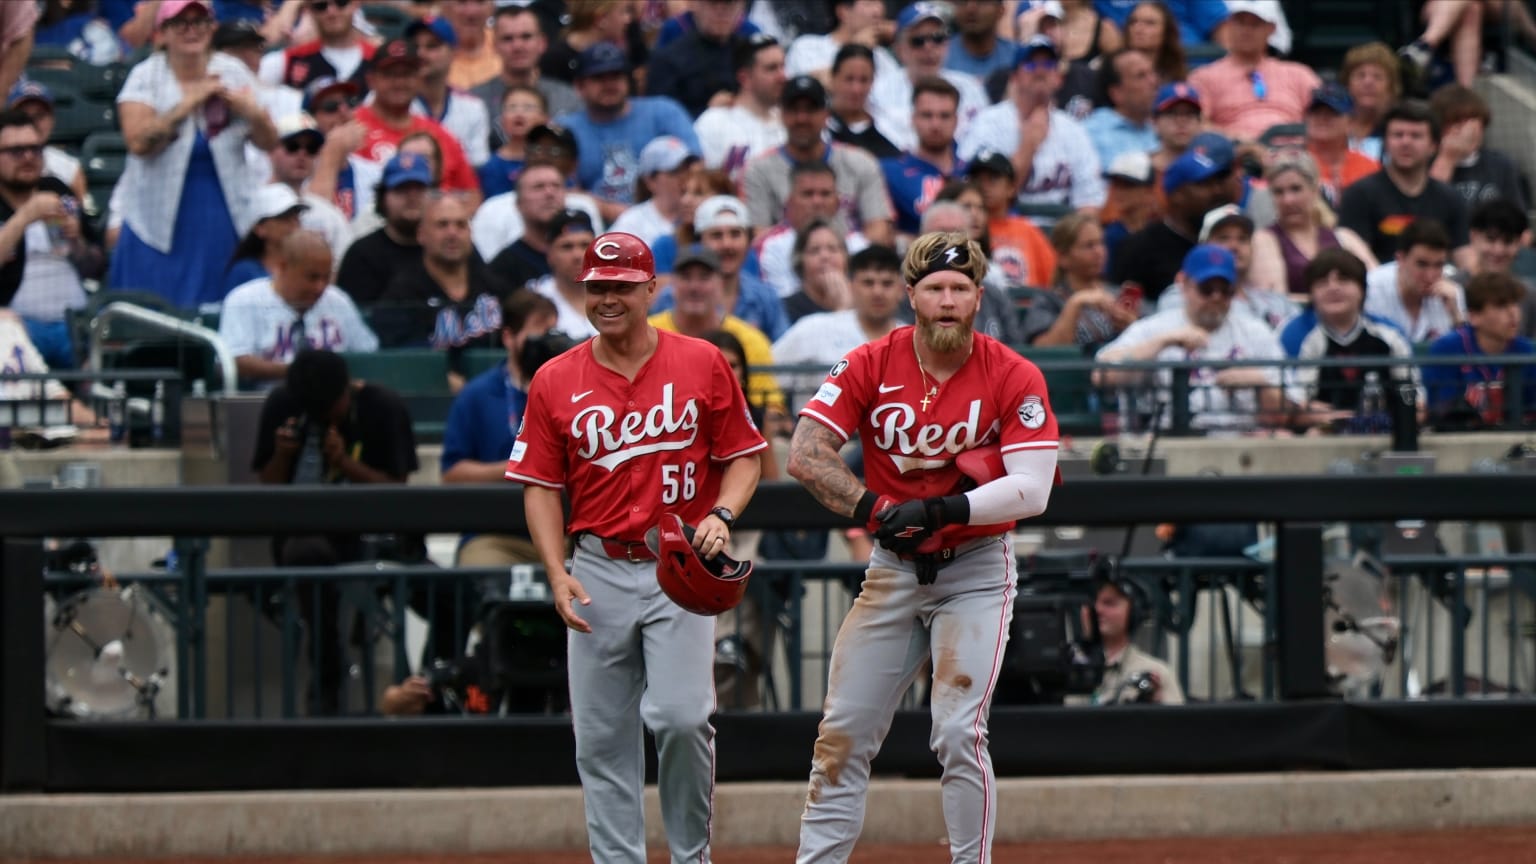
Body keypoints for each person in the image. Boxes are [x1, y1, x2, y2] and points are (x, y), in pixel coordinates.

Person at [787, 231, 1059, 863]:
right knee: (843, 735)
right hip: (893, 566)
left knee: (960, 733)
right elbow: (804, 453)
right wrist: (871, 509)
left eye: (958, 289)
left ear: (977, 297)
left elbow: (1034, 489)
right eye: (933, 288)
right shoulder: (869, 362)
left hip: (976, 568)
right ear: (911, 295)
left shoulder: (1012, 371)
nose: (946, 300)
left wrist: (941, 508)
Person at [507, 230, 766, 864]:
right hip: (596, 564)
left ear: (653, 288)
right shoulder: (554, 377)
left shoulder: (702, 361)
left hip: (676, 566)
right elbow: (540, 487)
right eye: (597, 287)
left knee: (681, 718)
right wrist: (555, 571)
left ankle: (689, 856)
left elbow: (745, 458)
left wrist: (723, 515)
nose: (608, 298)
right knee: (600, 738)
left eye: (622, 286)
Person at [252, 349, 419, 715]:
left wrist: (344, 463)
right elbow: (267, 485)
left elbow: (396, 487)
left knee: (455, 600)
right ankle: (326, 687)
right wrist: (283, 454)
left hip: (378, 538)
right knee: (308, 561)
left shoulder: (382, 406)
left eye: (328, 410)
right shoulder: (284, 402)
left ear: (346, 393)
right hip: (305, 538)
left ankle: (434, 694)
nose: (321, 417)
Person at [109, 0, 280, 308]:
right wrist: (187, 104)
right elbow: (137, 142)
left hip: (220, 210)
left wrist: (252, 112)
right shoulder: (145, 76)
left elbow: (268, 142)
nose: (192, 30)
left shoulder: (233, 72)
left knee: (219, 309)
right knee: (155, 315)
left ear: (212, 28)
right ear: (163, 32)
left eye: (200, 22)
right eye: (182, 23)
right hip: (155, 214)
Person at [1096, 244, 1299, 432]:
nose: (1216, 297)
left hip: (1242, 443)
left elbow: (1287, 413)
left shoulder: (1255, 331)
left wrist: (1258, 381)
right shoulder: (1156, 328)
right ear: (1184, 284)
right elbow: (1101, 374)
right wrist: (1162, 343)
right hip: (1171, 441)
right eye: (1207, 289)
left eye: (1225, 290)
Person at [441, 291, 562, 567]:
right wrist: (517, 469)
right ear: (509, 337)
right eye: (536, 336)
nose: (544, 345)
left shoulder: (574, 391)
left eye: (551, 335)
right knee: (480, 568)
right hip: (496, 533)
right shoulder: (477, 394)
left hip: (565, 531)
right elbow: (452, 475)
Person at [0, 109, 102, 371]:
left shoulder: (57, 189)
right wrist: (23, 218)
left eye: (36, 149)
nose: (28, 157)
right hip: (17, 325)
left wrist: (76, 239)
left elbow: (95, 266)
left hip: (76, 322)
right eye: (16, 151)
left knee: (109, 349)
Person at [742, 74, 895, 247]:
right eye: (794, 109)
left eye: (810, 109)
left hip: (852, 263)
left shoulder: (861, 162)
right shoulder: (759, 169)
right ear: (782, 114)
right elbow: (758, 235)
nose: (802, 118)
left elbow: (879, 230)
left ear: (826, 114)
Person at [959, 35, 1105, 215]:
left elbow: (1089, 200)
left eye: (1049, 65)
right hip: (1005, 225)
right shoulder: (988, 123)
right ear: (1014, 77)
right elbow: (979, 196)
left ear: (1058, 78)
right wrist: (1028, 145)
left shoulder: (1073, 129)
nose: (1040, 71)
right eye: (1030, 65)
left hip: (1062, 230)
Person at [556, 43, 700, 221]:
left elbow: (697, 169)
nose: (609, 84)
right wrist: (618, 213)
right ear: (579, 86)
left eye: (616, 76)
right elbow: (564, 192)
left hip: (668, 219)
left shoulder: (663, 111)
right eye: (599, 78)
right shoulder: (565, 128)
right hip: (595, 226)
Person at [1279, 247, 1416, 427]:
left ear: (1362, 289)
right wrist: (1313, 413)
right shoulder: (1301, 338)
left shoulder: (1389, 336)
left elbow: (1413, 397)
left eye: (1344, 280)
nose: (1333, 288)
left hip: (1386, 432)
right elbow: (1297, 408)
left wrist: (1400, 411)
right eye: (1322, 282)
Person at [219, 230, 378, 386]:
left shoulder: (337, 300)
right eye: (312, 277)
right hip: (266, 402)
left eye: (326, 277)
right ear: (282, 267)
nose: (320, 287)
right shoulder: (245, 299)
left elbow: (370, 354)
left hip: (332, 405)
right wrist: (300, 372)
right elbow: (232, 362)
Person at [650, 244, 787, 422]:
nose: (694, 287)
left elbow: (771, 408)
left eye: (704, 277)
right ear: (673, 283)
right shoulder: (649, 333)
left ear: (721, 283)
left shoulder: (751, 340)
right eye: (686, 277)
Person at [772, 243, 904, 411]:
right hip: (817, 433)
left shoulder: (913, 340)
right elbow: (765, 375)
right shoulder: (814, 329)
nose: (877, 292)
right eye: (868, 283)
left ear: (901, 290)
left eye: (886, 284)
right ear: (851, 286)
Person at [1338, 100, 1469, 269]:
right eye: (1398, 135)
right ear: (1385, 142)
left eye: (1416, 136)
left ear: (1433, 146)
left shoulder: (1450, 198)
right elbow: (1354, 260)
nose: (1406, 142)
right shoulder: (1359, 194)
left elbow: (1464, 258)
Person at [352, 39, 480, 196]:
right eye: (390, 75)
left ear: (419, 79)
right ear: (371, 80)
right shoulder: (352, 127)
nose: (399, 82)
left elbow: (470, 194)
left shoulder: (440, 135)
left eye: (407, 74)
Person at [1110, 146, 1232, 304]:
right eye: (1204, 184)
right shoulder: (1139, 248)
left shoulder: (1227, 241)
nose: (1216, 191)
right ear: (1177, 195)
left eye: (1217, 183)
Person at [1186, 1, 1320, 144]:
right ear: (1229, 25)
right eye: (1240, 22)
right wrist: (1234, 139)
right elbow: (1196, 124)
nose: (1246, 30)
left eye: (1255, 24)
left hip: (1293, 154)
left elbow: (1324, 114)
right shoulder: (1204, 77)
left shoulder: (1299, 75)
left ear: (1271, 29)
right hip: (1233, 156)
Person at [1250, 151, 1378, 297]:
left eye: (1296, 189)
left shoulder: (1344, 238)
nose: (1288, 200)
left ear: (1314, 191)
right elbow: (1275, 301)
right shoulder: (1264, 239)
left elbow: (1376, 288)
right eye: (1279, 192)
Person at [866, 3, 989, 153]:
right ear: (899, 49)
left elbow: (983, 140)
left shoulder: (970, 87)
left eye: (938, 38)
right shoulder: (878, 91)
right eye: (918, 41)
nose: (929, 48)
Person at [1423, 271, 1536, 426]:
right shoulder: (1447, 349)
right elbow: (1443, 413)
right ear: (1474, 316)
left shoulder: (1525, 351)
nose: (1513, 313)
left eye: (1515, 303)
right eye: (1501, 305)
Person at [1159, 204, 1297, 331]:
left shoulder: (1275, 302)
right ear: (1203, 246)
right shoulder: (1181, 295)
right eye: (1223, 238)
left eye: (1242, 239)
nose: (1234, 247)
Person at [472, 3, 582, 149]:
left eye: (526, 37)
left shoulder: (568, 98)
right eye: (507, 39)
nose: (518, 46)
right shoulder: (476, 101)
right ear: (494, 46)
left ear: (542, 43)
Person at [1024, 211, 1137, 348]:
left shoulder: (1117, 295)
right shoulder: (1048, 300)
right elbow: (1043, 351)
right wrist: (1075, 303)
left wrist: (1132, 325)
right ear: (1063, 257)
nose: (1099, 252)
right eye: (1089, 246)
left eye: (1101, 243)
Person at [335, 152, 431, 307]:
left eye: (419, 189)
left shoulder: (446, 247)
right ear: (383, 198)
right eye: (402, 189)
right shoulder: (362, 254)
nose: (412, 197)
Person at [693, 32, 788, 184]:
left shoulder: (796, 120)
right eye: (772, 69)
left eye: (783, 66)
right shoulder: (713, 122)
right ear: (745, 78)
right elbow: (700, 185)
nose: (783, 76)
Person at [880, 76, 967, 241]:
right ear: (913, 119)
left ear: (956, 120)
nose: (936, 124)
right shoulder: (890, 172)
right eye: (927, 115)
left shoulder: (973, 171)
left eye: (944, 116)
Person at [1077, 577, 1184, 705]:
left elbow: (1178, 724)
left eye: (1109, 603)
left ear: (1133, 612)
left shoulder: (1156, 672)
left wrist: (1157, 708)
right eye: (1092, 603)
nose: (1098, 610)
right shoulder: (1066, 669)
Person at [407, 16, 493, 169]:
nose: (420, 53)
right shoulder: (386, 100)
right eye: (415, 46)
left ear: (453, 53)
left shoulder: (472, 107)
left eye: (432, 46)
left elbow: (477, 167)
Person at [1427, 84, 1527, 212]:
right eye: (1457, 122)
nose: (1466, 131)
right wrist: (1448, 158)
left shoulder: (1502, 164)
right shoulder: (1425, 162)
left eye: (1472, 121)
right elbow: (1427, 210)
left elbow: (1518, 219)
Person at [1364, 219, 1465, 344]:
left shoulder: (1452, 295)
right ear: (1400, 259)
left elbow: (1468, 357)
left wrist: (1457, 316)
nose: (1430, 276)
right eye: (1422, 264)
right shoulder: (1370, 289)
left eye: (1438, 265)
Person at [645, 0, 749, 118]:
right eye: (713, 3)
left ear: (741, 6)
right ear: (694, 5)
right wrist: (707, 112)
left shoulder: (751, 54)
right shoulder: (668, 59)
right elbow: (659, 117)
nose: (721, 11)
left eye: (729, 4)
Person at [261, 0, 374, 93]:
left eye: (341, 3)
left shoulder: (378, 58)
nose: (332, 12)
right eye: (321, 6)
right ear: (309, 10)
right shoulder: (285, 61)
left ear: (355, 5)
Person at [5, 81, 87, 203]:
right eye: (23, 115)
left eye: (40, 115)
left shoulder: (69, 167)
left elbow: (80, 217)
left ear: (52, 120)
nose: (33, 122)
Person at [606, 136, 697, 246]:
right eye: (675, 171)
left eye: (687, 170)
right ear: (650, 181)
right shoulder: (631, 223)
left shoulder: (701, 214)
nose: (684, 178)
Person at [528, 208, 602, 341]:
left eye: (585, 245)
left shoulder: (613, 296)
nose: (577, 255)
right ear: (549, 253)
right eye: (567, 247)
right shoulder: (536, 299)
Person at [1081, 48, 1159, 170]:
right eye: (1141, 76)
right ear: (1116, 93)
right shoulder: (1091, 134)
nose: (1153, 81)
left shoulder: (1162, 128)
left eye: (1152, 73)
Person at [1304, 84, 1380, 208]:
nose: (1322, 118)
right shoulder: (1293, 162)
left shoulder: (1369, 167)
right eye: (1316, 112)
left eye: (1332, 113)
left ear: (1351, 123)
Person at [224, 183, 308, 295]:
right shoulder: (244, 272)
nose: (294, 225)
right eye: (284, 218)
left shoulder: (306, 268)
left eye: (296, 218)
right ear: (260, 228)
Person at [825, 44, 902, 160]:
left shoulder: (890, 126)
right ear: (833, 78)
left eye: (864, 80)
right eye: (849, 79)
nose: (856, 89)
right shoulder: (818, 125)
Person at [1338, 42, 1400, 161]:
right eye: (1360, 76)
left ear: (1391, 88)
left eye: (1377, 77)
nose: (1368, 82)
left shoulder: (1400, 131)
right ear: (1347, 84)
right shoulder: (1332, 129)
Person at [782, 220, 852, 323]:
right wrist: (841, 310)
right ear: (801, 261)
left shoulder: (863, 307)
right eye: (814, 251)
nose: (825, 257)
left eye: (832, 249)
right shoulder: (785, 310)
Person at [946, 0, 1019, 80]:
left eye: (981, 2)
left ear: (1001, 10)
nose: (970, 9)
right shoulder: (939, 54)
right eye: (963, 2)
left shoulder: (1017, 57)